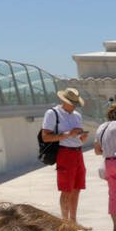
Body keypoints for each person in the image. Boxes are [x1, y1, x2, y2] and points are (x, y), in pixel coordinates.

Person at [41, 88, 90, 224]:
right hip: (64, 152)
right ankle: (65, 223)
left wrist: (82, 137)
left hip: (78, 152)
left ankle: (73, 222)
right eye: (73, 103)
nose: (75, 106)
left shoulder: (77, 115)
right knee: (66, 190)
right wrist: (67, 134)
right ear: (64, 101)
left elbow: (78, 139)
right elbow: (45, 137)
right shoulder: (52, 113)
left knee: (77, 189)